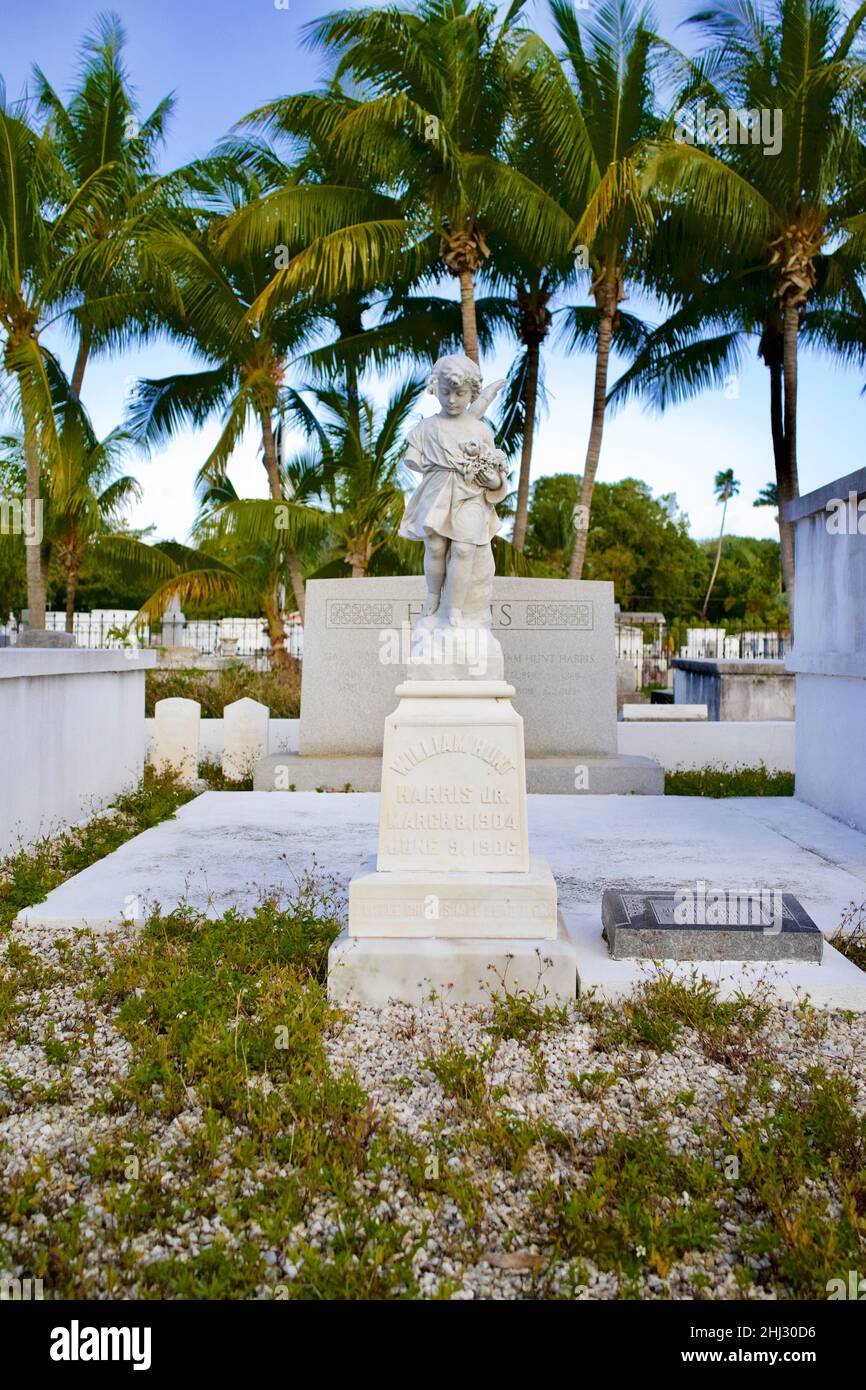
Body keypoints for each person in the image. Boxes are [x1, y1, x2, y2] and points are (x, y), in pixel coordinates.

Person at [400, 354, 508, 627]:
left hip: (471, 496)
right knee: (435, 547)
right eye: (445, 392)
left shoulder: (480, 430)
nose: (451, 400)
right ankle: (433, 594)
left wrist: (493, 482)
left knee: (463, 549)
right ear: (435, 389)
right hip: (437, 492)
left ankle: (455, 608)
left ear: (471, 392)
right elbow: (414, 457)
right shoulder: (426, 428)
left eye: (459, 394)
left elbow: (495, 474)